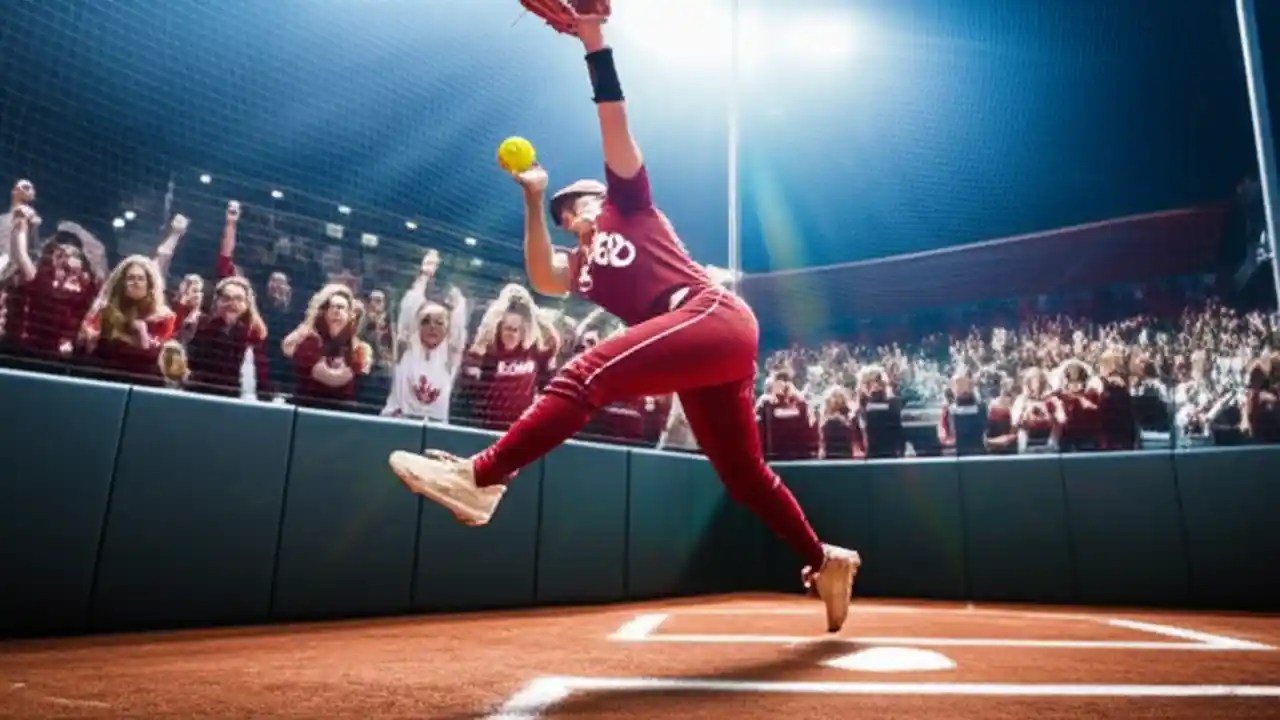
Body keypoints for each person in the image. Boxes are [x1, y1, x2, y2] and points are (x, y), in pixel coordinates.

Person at [388, 12, 860, 633]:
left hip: (710, 316)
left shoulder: (628, 204)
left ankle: (482, 477)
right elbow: (541, 277)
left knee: (587, 372)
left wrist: (594, 43)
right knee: (744, 476)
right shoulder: (581, 267)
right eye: (562, 212)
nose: (569, 212)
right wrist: (532, 199)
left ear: (599, 198)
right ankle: (823, 558)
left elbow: (614, 118)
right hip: (697, 352)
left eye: (574, 201)